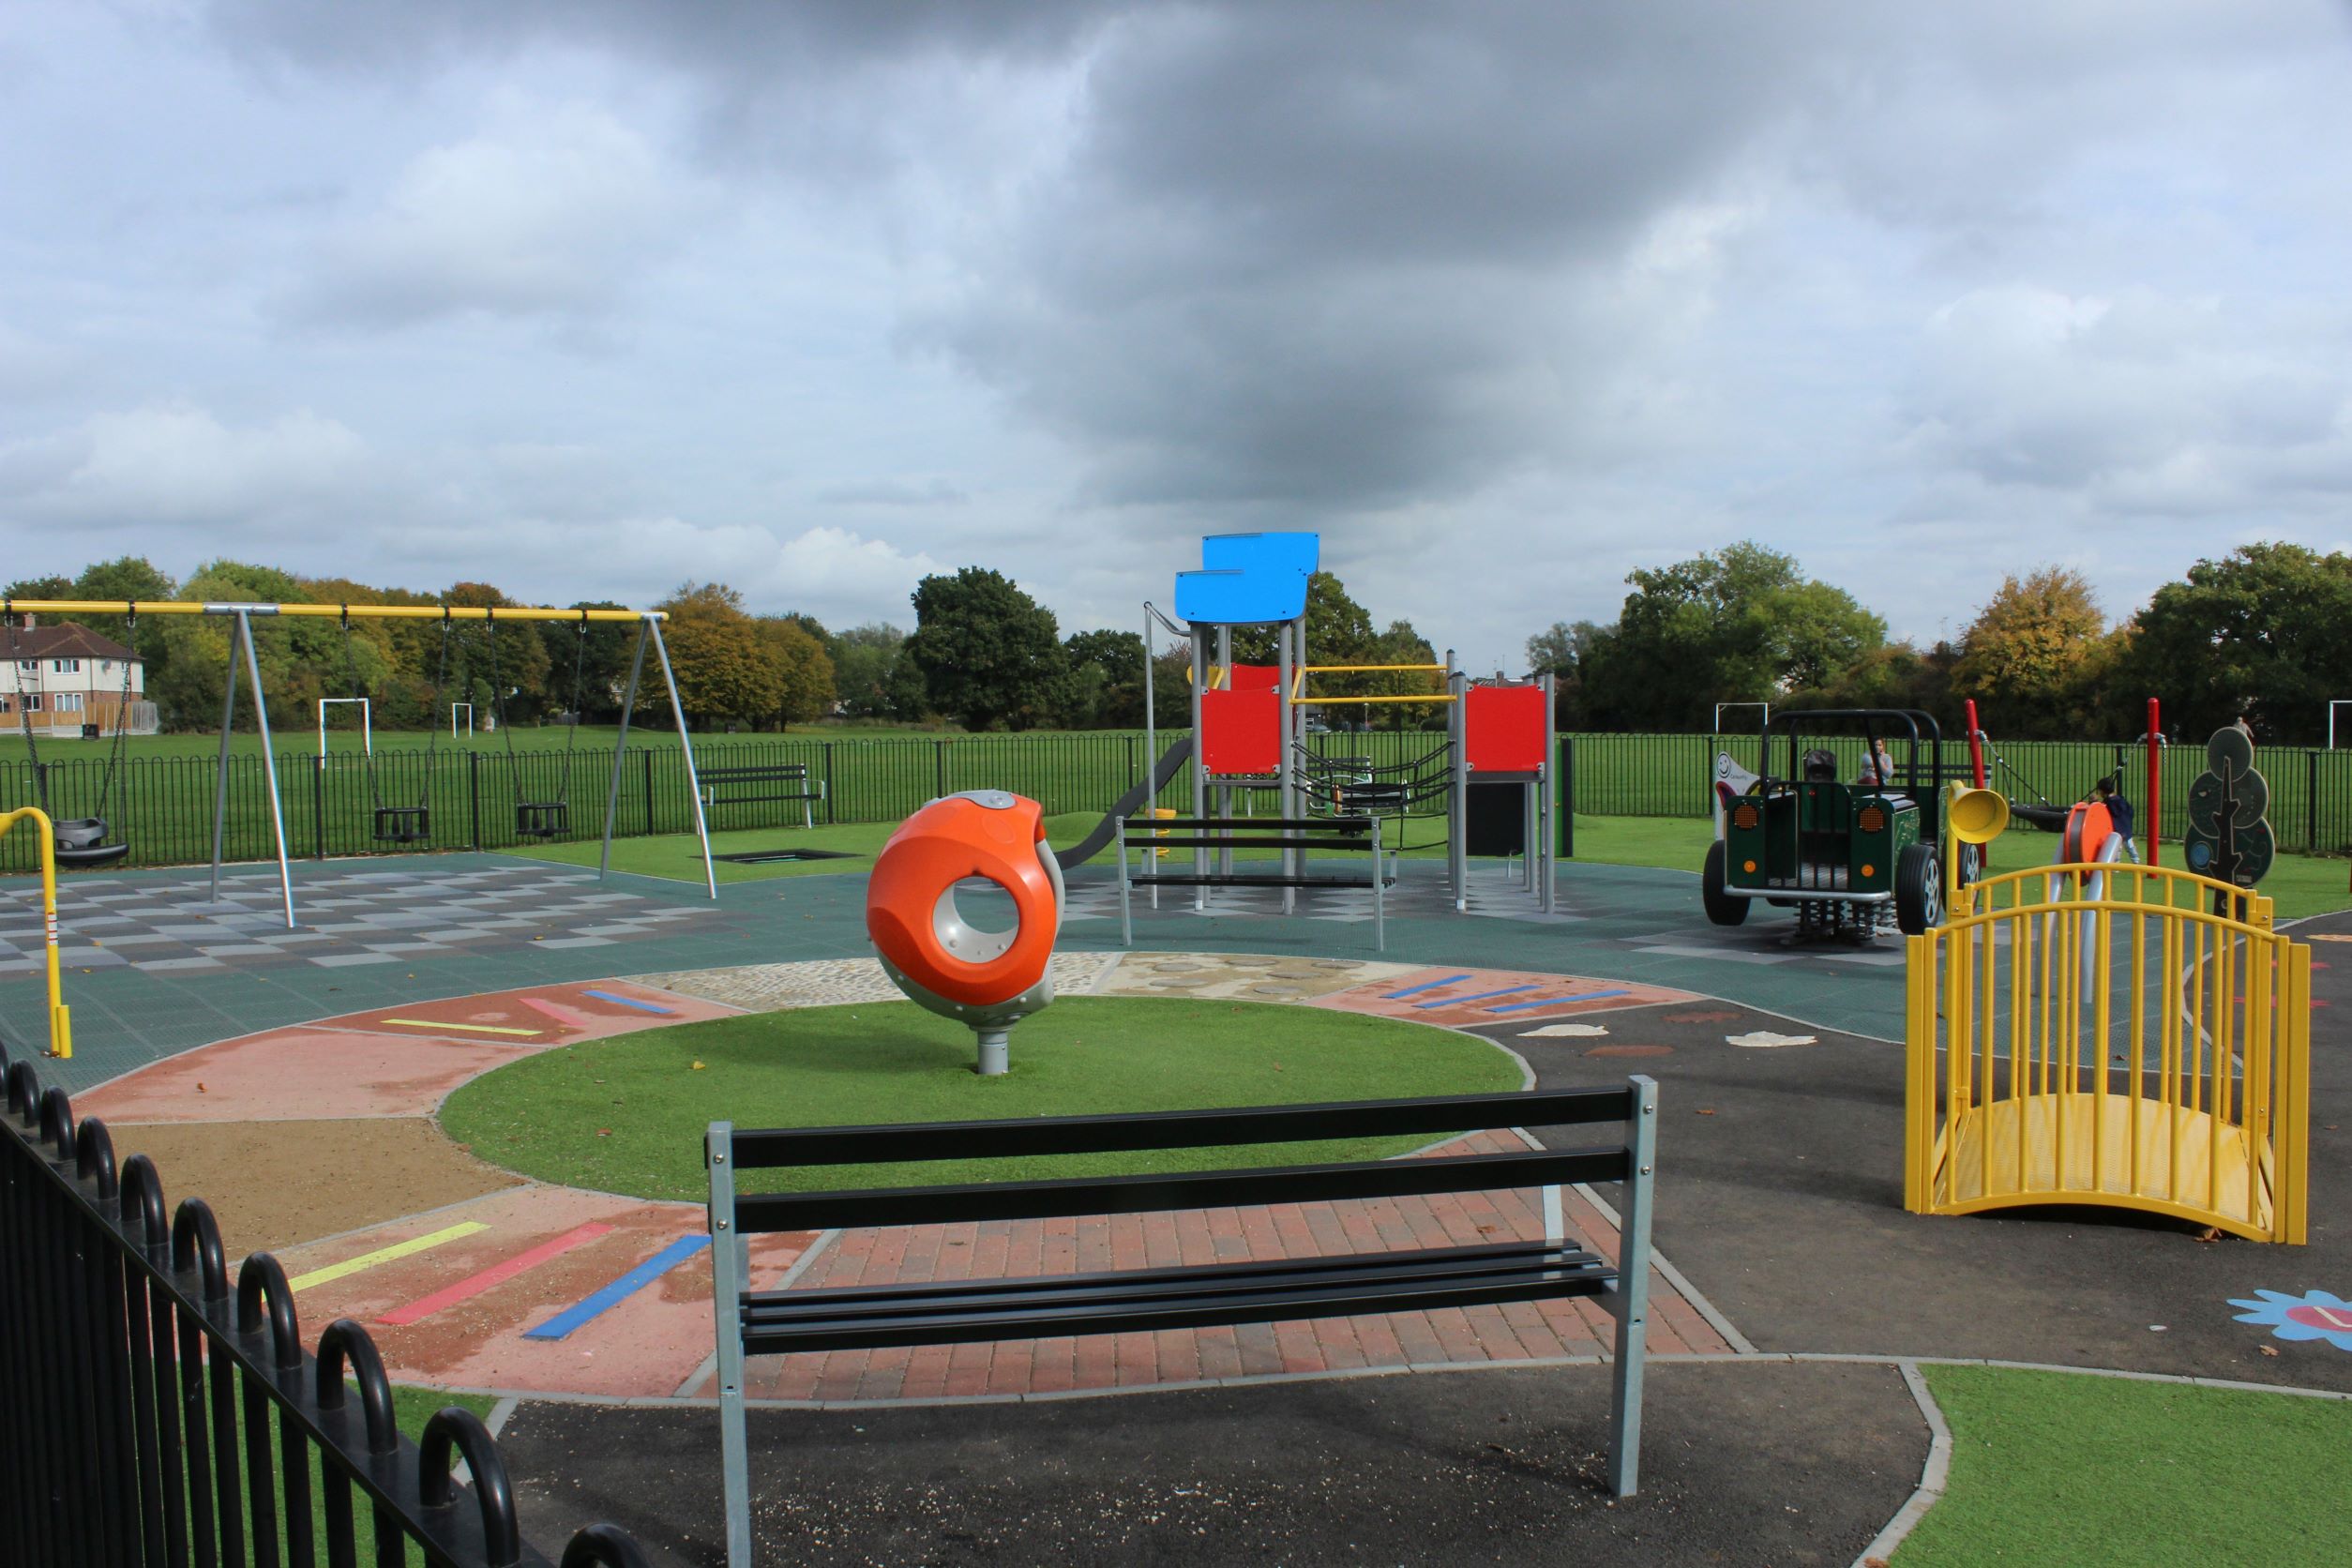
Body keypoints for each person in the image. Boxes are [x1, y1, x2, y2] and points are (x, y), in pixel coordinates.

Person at [2094, 776, 2135, 846]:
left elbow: (2099, 814)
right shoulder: (2121, 800)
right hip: (2126, 830)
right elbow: (2131, 811)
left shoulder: (2107, 804)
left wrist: (2093, 802)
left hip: (2115, 833)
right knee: (2131, 849)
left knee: (2117, 850)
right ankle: (2135, 857)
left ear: (2102, 792)